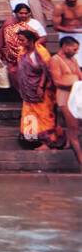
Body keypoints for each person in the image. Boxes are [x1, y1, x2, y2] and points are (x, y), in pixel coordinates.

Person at [13, 21, 64, 151]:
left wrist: (41, 86)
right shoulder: (22, 52)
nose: (20, 42)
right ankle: (33, 142)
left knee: (44, 116)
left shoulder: (41, 52)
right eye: (19, 40)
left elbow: (46, 71)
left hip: (41, 91)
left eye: (22, 40)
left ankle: (49, 143)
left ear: (30, 40)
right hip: (27, 91)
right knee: (30, 116)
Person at [48, 35, 82, 168]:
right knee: (74, 129)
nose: (76, 52)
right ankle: (80, 159)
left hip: (76, 96)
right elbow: (57, 81)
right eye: (74, 49)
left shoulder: (72, 59)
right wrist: (73, 82)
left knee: (77, 128)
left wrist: (77, 81)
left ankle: (69, 144)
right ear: (65, 46)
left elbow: (79, 75)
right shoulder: (55, 60)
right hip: (64, 97)